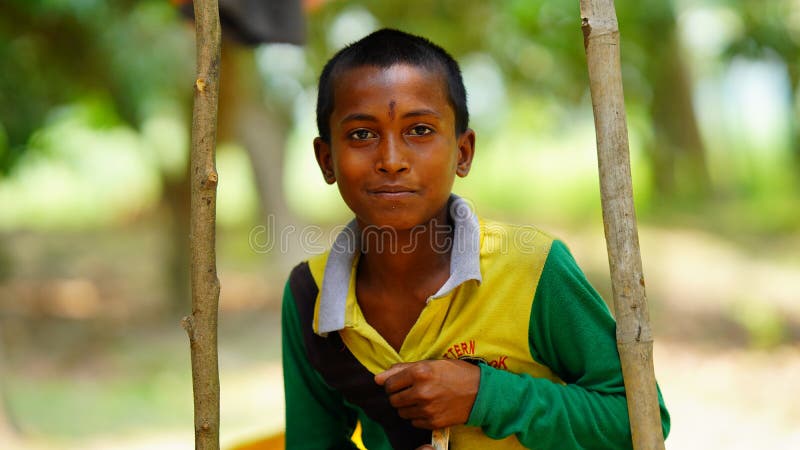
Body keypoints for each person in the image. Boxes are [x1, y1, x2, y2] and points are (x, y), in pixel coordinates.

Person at [281, 28, 670, 449]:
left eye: (420, 130)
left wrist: (486, 395)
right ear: (326, 159)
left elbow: (641, 419)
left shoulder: (532, 269)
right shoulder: (312, 296)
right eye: (361, 134)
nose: (391, 161)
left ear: (463, 153)